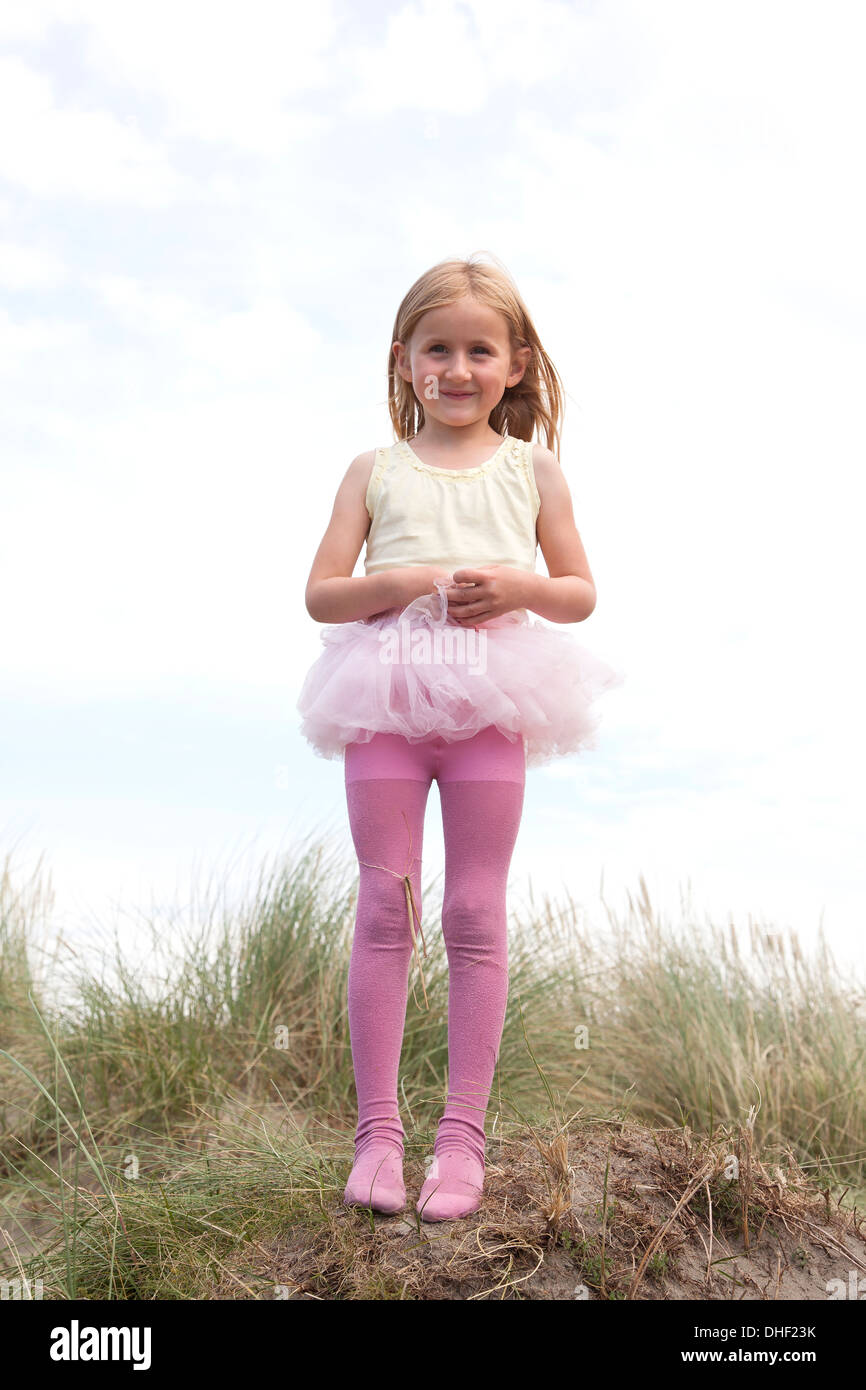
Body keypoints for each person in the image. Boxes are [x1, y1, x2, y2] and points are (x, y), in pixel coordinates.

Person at [296, 253, 624, 1222]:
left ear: (514, 364)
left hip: (490, 699)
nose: (457, 368)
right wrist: (396, 581)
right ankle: (377, 1138)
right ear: (404, 362)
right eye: (436, 349)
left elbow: (576, 590)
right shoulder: (374, 469)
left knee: (475, 912)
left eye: (479, 349)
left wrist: (518, 586)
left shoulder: (533, 469)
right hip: (385, 697)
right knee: (384, 902)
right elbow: (321, 590)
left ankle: (461, 1141)